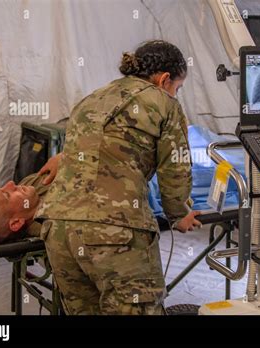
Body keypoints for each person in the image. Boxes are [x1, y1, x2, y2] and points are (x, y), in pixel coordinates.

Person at [34, 40, 201, 315]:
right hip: (114, 232)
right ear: (164, 79)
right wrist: (178, 214)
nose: (176, 94)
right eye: (178, 88)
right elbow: (176, 169)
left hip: (58, 230)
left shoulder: (93, 98)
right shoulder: (163, 103)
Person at [0, 173, 49, 244]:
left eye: (1, 188)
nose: (11, 183)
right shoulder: (53, 224)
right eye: (7, 195)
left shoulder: (28, 187)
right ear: (16, 223)